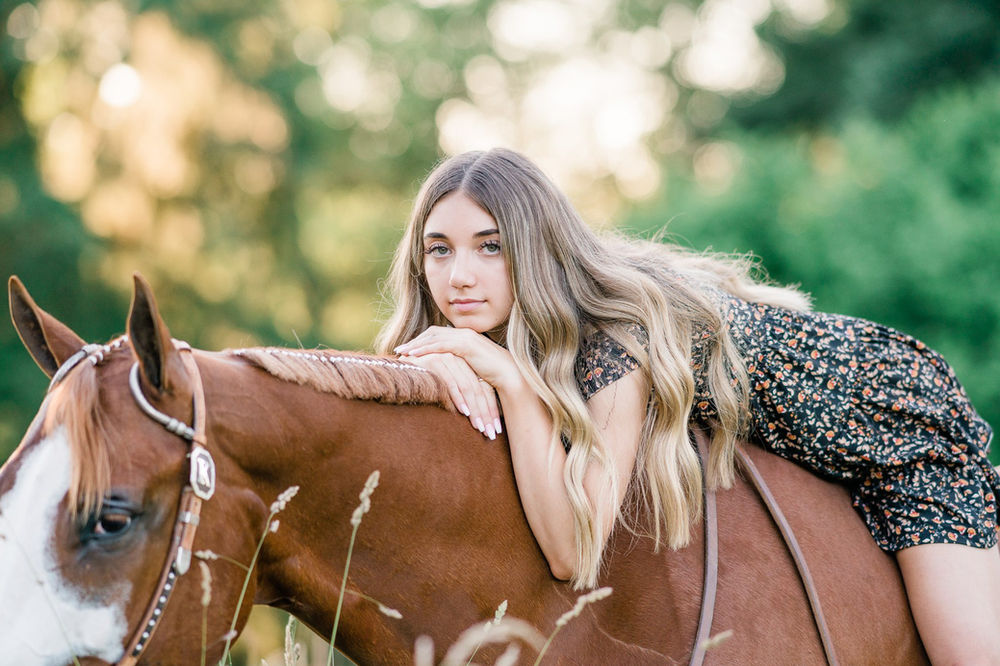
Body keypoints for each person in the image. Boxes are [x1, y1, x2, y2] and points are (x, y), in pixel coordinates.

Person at [375, 147, 1000, 663]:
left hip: (894, 414)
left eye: (491, 246)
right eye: (440, 248)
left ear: (537, 249)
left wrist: (511, 386)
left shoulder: (616, 337)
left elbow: (571, 550)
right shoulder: (507, 335)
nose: (459, 275)